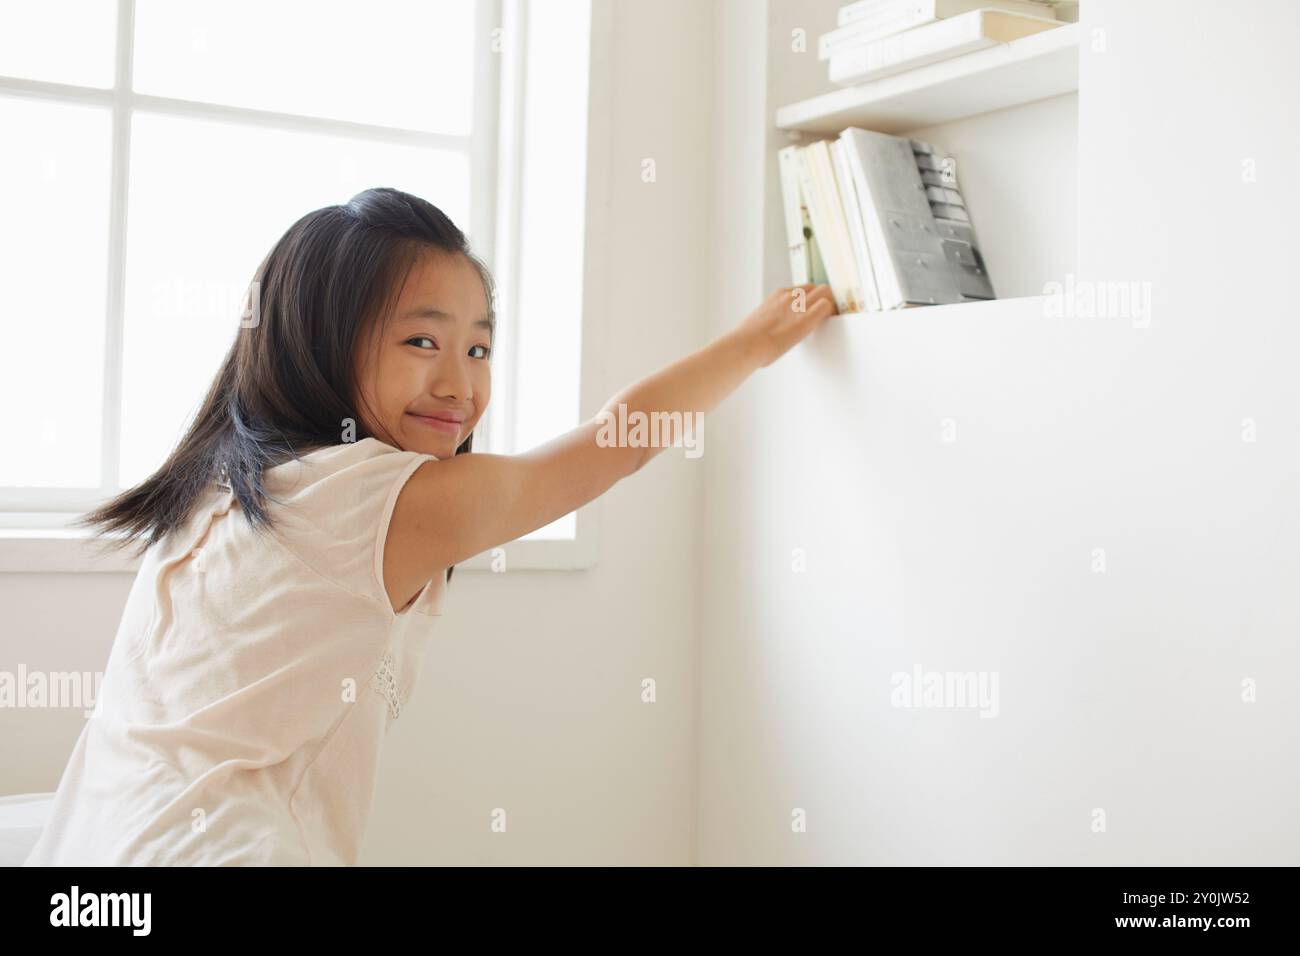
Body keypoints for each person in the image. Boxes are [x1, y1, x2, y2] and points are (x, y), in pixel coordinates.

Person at [22, 186, 837, 865]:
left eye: (478, 350)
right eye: (421, 341)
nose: (458, 384)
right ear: (318, 340)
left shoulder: (220, 481)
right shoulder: (377, 497)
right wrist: (758, 339)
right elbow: (614, 445)